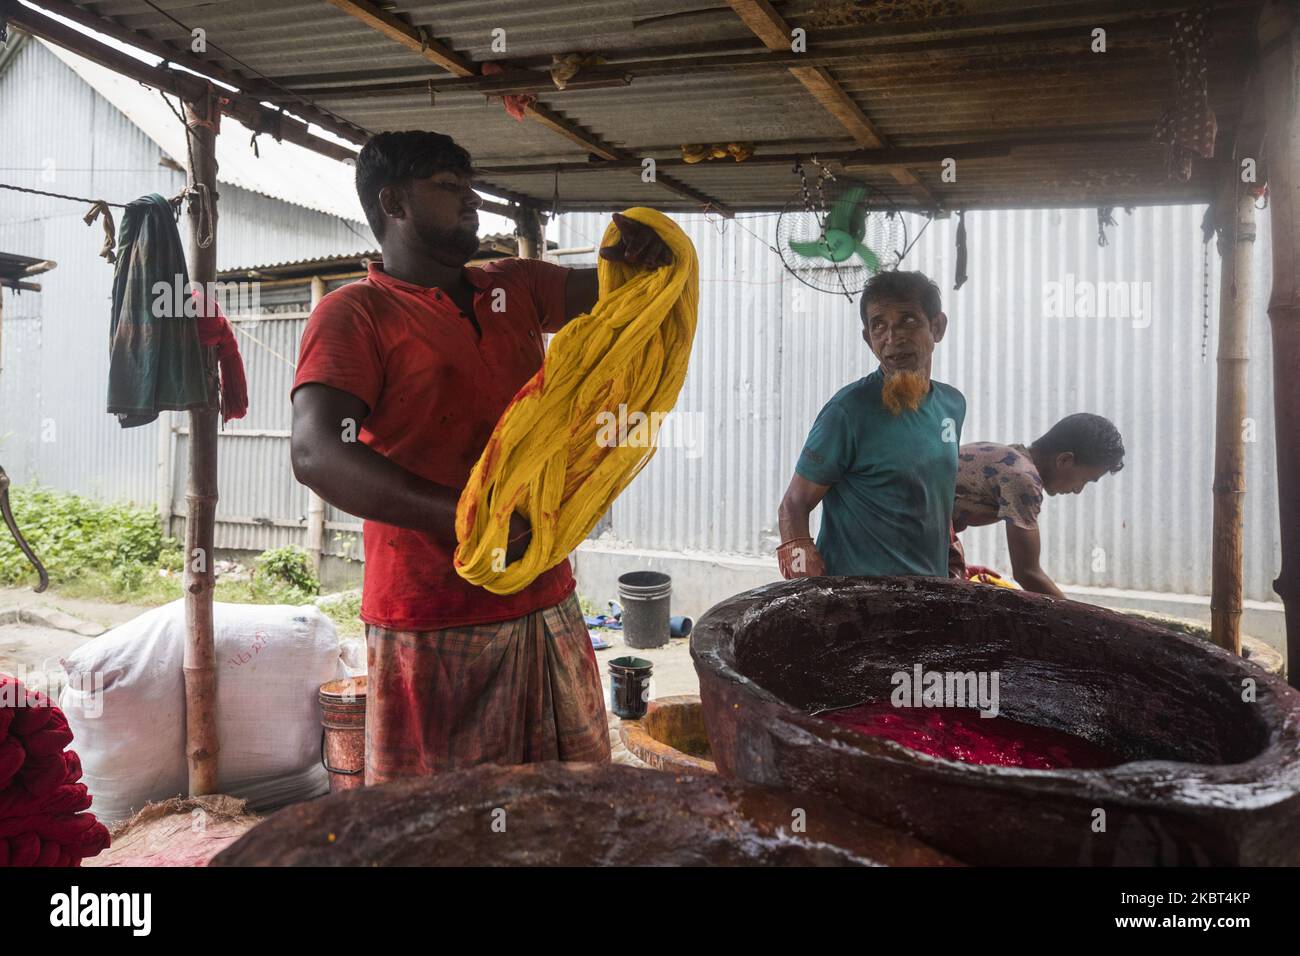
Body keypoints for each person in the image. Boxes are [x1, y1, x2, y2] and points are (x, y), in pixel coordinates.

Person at [289, 131, 672, 784]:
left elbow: (624, 292)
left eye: (471, 186)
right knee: (449, 820)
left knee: (565, 805)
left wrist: (643, 249)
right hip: (433, 616)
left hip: (543, 592)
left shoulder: (513, 287)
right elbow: (318, 451)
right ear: (393, 202)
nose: (471, 202)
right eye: (448, 186)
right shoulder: (356, 313)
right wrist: (469, 518)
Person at [777, 271, 966, 579]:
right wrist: (805, 590)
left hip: (930, 595)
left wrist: (953, 561)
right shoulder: (847, 413)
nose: (893, 338)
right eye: (879, 325)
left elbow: (935, 494)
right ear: (868, 338)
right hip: (858, 604)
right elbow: (792, 506)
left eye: (908, 320)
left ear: (937, 327)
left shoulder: (953, 405)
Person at [951, 413, 1125, 598]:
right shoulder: (1023, 479)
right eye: (1085, 480)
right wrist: (1079, 616)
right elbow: (1027, 573)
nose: (1078, 490)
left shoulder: (1007, 455)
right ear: (1064, 460)